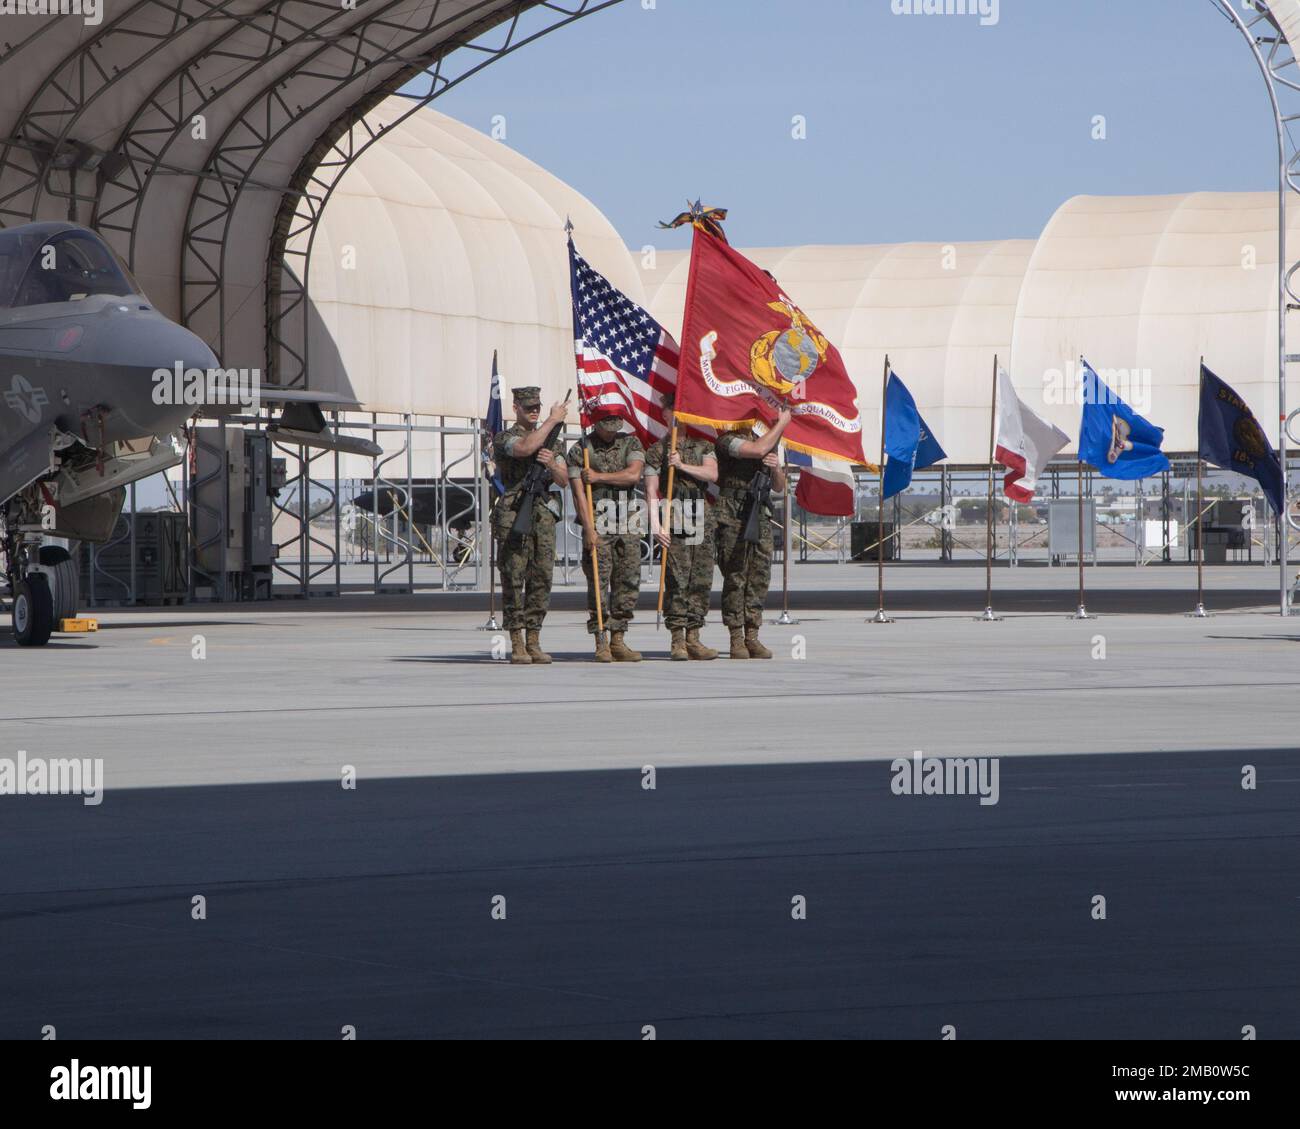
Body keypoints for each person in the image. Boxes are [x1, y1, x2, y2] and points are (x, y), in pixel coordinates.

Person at [492, 387, 569, 664]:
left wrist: (553, 466)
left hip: (544, 515)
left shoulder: (553, 441)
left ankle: (534, 639)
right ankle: (516, 640)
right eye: (528, 408)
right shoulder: (504, 437)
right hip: (514, 514)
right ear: (516, 408)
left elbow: (563, 479)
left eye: (537, 407)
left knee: (541, 578)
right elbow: (524, 448)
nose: (534, 412)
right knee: (514, 577)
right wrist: (552, 421)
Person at [567, 407, 646, 662]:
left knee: (628, 577)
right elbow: (579, 494)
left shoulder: (630, 442)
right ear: (596, 423)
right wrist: (588, 529)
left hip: (627, 517)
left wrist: (599, 476)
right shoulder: (581, 450)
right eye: (606, 426)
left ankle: (619, 638)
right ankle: (600, 639)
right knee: (599, 580)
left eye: (615, 426)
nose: (612, 431)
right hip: (598, 517)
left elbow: (633, 474)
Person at [713, 408, 793, 659]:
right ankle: (736, 638)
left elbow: (780, 487)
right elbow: (756, 450)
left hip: (759, 512)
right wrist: (781, 424)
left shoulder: (767, 440)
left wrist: (776, 467)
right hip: (733, 512)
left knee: (759, 576)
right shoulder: (727, 439)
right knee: (736, 575)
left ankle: (752, 635)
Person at [645, 395, 720, 660]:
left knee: (700, 578)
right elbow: (651, 490)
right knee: (677, 578)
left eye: (681, 410)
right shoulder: (656, 450)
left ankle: (694, 637)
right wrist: (656, 526)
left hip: (700, 514)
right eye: (671, 410)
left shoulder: (703, 446)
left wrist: (681, 465)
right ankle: (677, 639)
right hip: (674, 515)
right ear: (664, 414)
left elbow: (711, 475)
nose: (676, 415)